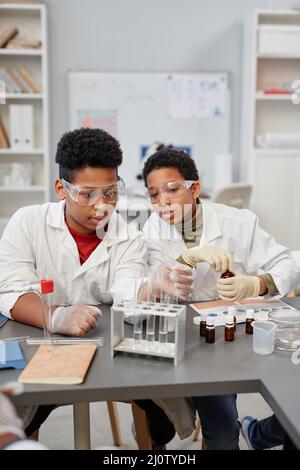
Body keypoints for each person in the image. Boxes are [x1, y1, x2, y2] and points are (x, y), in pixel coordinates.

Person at [139, 146, 300, 450]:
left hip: (246, 334)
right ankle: (238, 432)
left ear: (194, 188)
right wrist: (185, 261)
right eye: (154, 195)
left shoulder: (238, 222)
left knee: (295, 406)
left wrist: (256, 284)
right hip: (199, 345)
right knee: (224, 433)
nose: (163, 202)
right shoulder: (152, 230)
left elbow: (289, 264)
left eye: (172, 189)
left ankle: (259, 433)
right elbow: (157, 289)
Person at [0, 127, 148, 435]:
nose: (101, 205)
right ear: (61, 187)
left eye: (111, 192)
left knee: (160, 401)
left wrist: (153, 288)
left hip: (110, 355)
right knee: (14, 412)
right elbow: (10, 290)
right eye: (86, 194)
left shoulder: (130, 235)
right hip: (40, 350)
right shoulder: (27, 222)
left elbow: (129, 296)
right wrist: (54, 316)